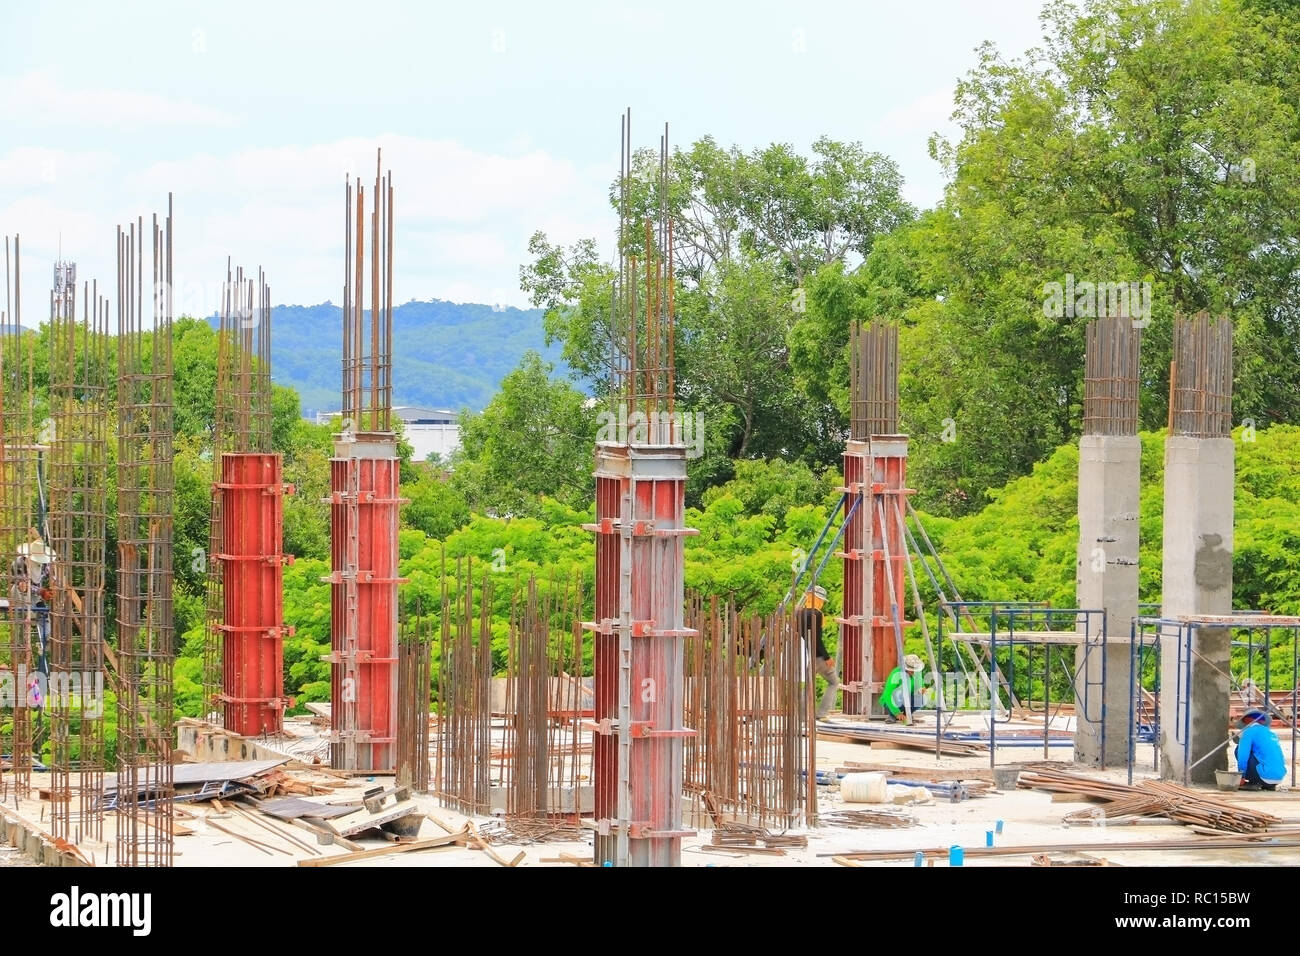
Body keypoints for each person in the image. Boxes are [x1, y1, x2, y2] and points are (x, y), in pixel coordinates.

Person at [796, 585, 839, 720]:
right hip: (817, 655)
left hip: (804, 654)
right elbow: (817, 638)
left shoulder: (799, 612)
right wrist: (826, 657)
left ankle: (802, 717)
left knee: (808, 684)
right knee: (834, 682)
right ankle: (822, 713)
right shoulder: (817, 614)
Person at [1236, 708, 1286, 791]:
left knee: (1238, 750)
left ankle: (1254, 782)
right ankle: (1267, 784)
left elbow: (1242, 756)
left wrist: (1241, 776)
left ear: (1246, 719)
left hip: (1264, 776)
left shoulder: (1249, 731)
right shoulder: (1271, 733)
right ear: (1262, 721)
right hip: (1278, 778)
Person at [882, 653, 926, 723]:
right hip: (894, 701)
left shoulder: (917, 673)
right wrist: (897, 713)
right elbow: (888, 695)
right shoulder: (896, 674)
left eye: (914, 670)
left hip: (907, 699)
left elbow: (920, 686)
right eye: (911, 671)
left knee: (921, 699)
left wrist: (920, 690)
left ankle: (907, 714)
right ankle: (893, 715)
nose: (913, 672)